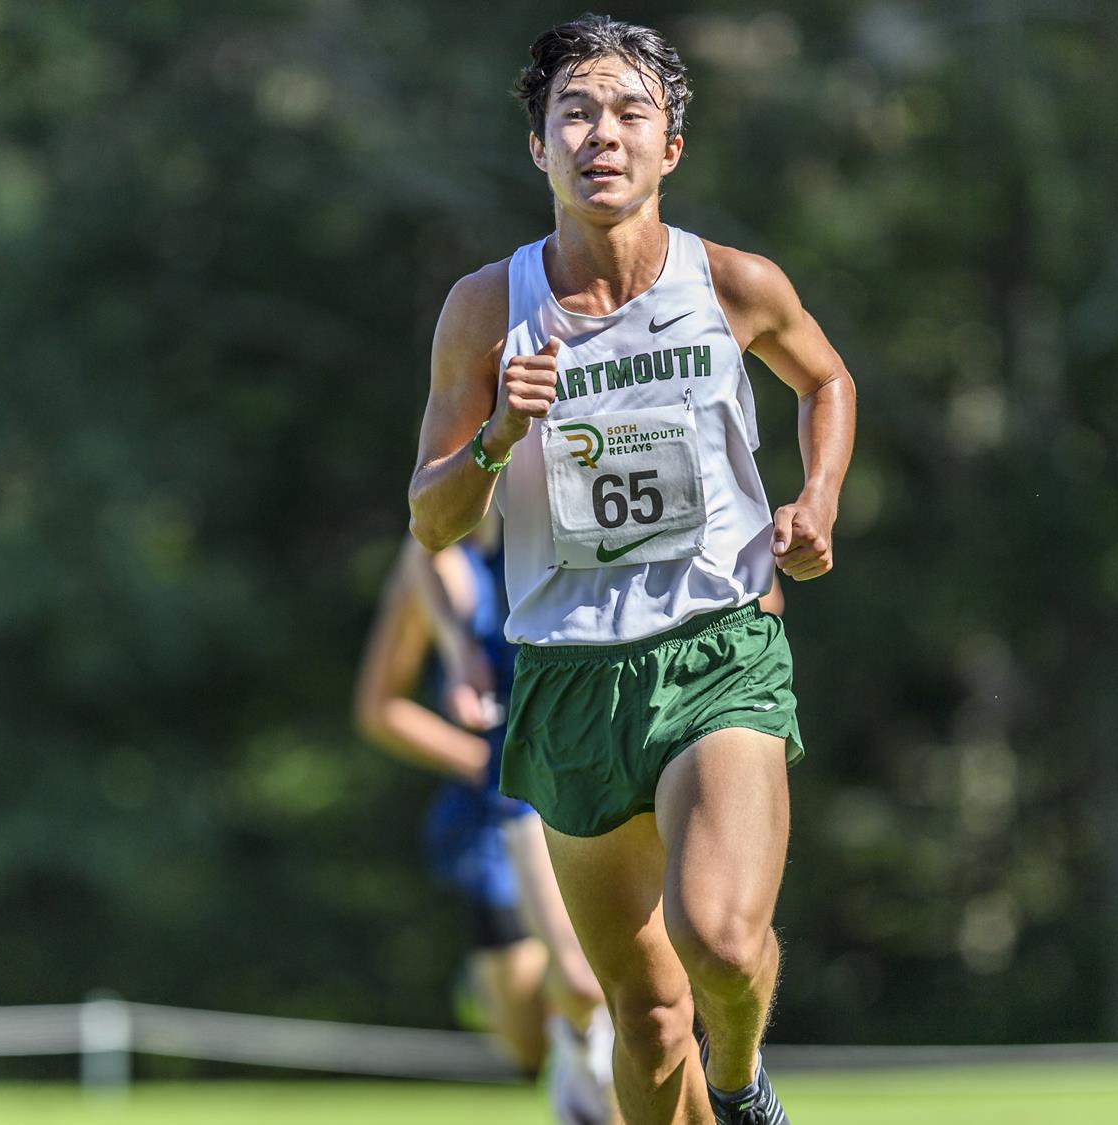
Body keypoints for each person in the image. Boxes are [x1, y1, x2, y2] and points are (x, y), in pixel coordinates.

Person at [406, 15, 856, 1125]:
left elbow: (825, 381)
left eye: (629, 112)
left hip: (716, 648)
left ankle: (744, 1078)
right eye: (574, 112)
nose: (600, 134)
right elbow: (429, 518)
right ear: (537, 149)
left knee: (717, 937)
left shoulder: (730, 282)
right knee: (646, 1017)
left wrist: (817, 500)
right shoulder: (483, 310)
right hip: (566, 677)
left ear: (669, 149)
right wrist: (499, 438)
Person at [354, 520, 618, 1124]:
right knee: (526, 1040)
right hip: (500, 804)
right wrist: (485, 759)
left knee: (591, 983)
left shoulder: (582, 519)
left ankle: (598, 1077)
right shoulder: (434, 561)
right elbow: (379, 708)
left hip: (590, 779)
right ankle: (525, 1017)